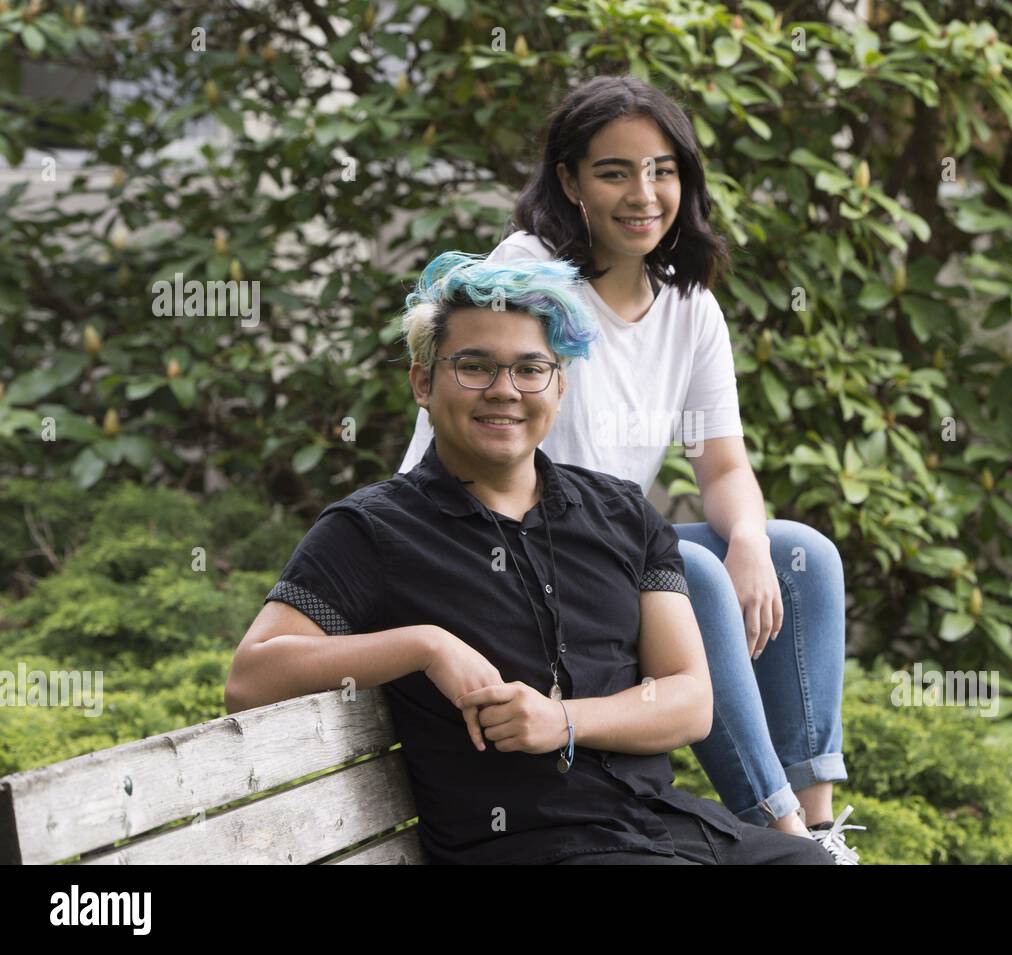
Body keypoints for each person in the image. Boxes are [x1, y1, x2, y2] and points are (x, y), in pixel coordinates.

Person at [226, 252, 833, 865]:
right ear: (422, 383)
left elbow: (689, 702)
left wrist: (563, 720)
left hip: (666, 829)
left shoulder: (622, 514)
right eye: (474, 367)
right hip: (532, 848)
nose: (504, 390)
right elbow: (251, 678)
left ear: (559, 386)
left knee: (808, 861)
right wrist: (425, 645)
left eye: (530, 369)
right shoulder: (372, 529)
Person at [398, 75, 862, 861]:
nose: (643, 194)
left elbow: (723, 467)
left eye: (662, 170)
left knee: (800, 556)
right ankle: (780, 828)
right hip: (497, 539)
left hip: (606, 544)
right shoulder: (530, 273)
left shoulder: (688, 306)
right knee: (692, 571)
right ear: (570, 180)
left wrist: (750, 540)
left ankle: (821, 826)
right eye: (614, 172)